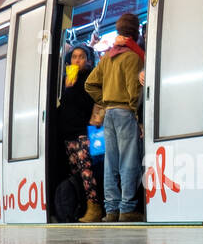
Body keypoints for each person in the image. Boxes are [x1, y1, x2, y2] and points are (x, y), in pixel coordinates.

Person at [85, 13, 145, 222]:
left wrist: (105, 100)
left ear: (119, 31)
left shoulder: (106, 59)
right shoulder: (133, 57)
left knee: (111, 162)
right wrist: (137, 116)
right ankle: (127, 209)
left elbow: (89, 84)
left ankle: (111, 210)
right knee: (129, 161)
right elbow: (134, 92)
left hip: (109, 114)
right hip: (124, 113)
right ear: (136, 33)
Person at [57, 46, 104, 222]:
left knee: (87, 170)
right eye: (75, 57)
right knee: (76, 171)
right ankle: (82, 206)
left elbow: (88, 103)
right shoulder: (65, 81)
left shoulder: (90, 79)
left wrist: (73, 87)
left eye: (82, 57)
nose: (78, 60)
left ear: (88, 60)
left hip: (84, 132)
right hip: (68, 133)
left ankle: (95, 207)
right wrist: (67, 86)